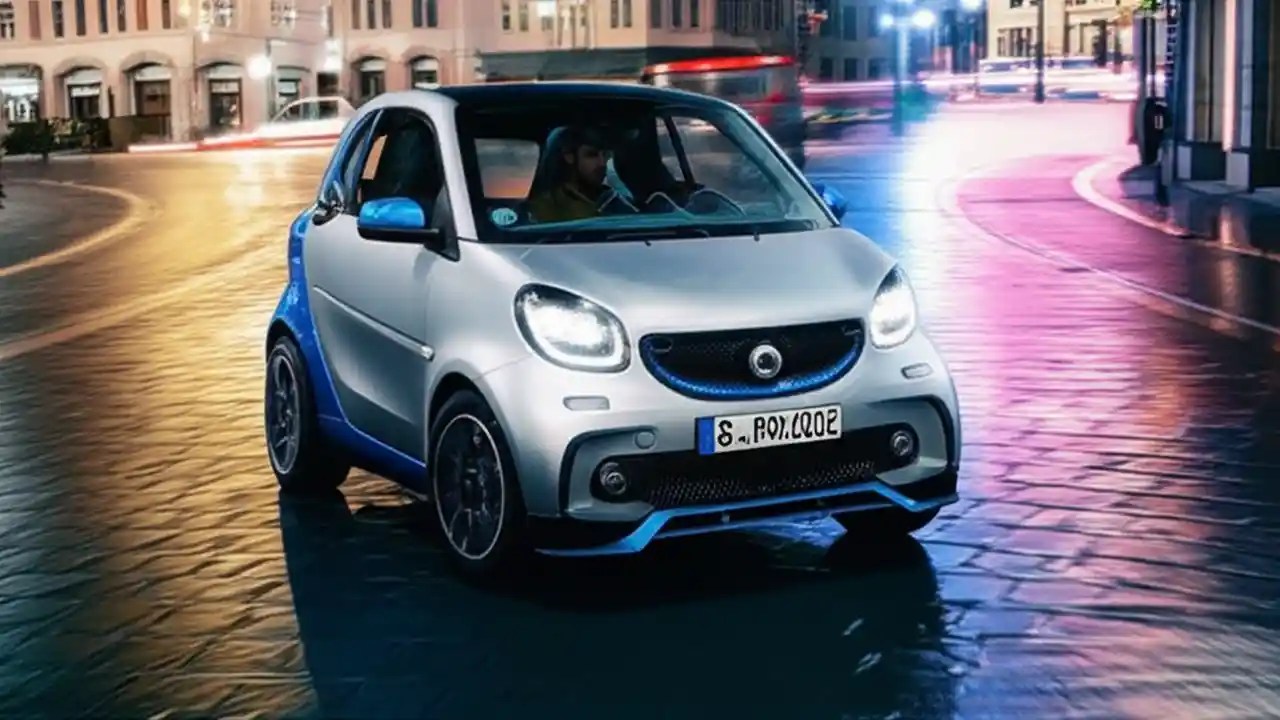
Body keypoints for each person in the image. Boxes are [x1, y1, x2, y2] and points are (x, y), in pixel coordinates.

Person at [527, 125, 611, 223]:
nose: (602, 163)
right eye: (591, 155)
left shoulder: (612, 198)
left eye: (605, 155)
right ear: (569, 157)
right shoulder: (549, 207)